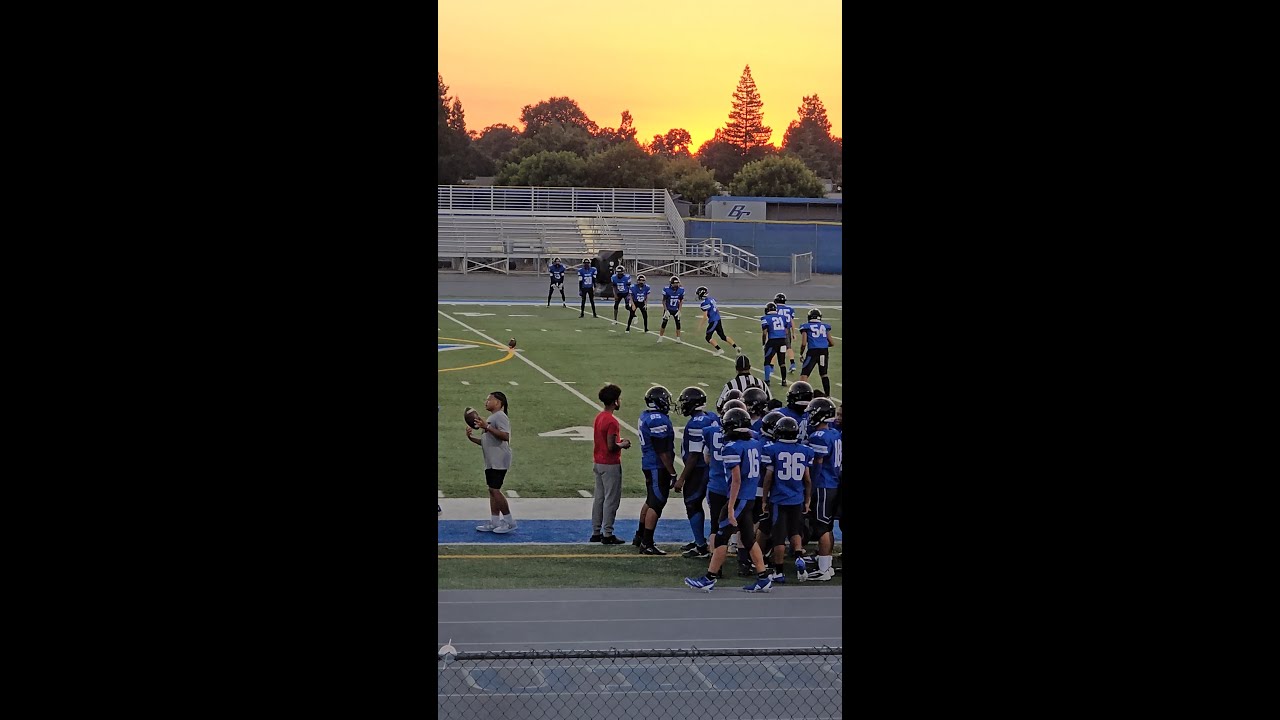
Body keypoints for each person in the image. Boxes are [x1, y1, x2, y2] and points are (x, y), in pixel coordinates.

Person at [683, 408, 773, 593]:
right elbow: (754, 433)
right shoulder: (755, 443)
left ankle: (709, 578)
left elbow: (737, 479)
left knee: (722, 536)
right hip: (748, 498)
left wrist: (730, 506)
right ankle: (763, 577)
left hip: (739, 498)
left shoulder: (732, 447)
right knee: (748, 538)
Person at [760, 416, 814, 585]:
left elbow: (768, 479)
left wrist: (764, 499)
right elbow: (807, 480)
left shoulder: (772, 449)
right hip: (796, 498)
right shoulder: (805, 450)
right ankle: (798, 555)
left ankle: (779, 571)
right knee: (795, 530)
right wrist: (807, 500)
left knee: (778, 536)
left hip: (779, 499)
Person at [673, 387, 718, 559]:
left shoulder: (696, 423)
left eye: (685, 402)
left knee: (692, 503)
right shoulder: (711, 416)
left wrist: (682, 478)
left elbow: (694, 455)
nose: (683, 405)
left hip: (700, 469)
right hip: (712, 467)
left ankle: (701, 545)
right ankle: (705, 541)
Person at [799, 398, 840, 581]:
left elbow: (818, 465)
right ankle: (827, 565)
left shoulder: (820, 436)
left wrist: (810, 488)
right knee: (827, 526)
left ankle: (824, 569)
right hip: (833, 484)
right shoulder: (835, 434)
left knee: (822, 527)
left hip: (824, 485)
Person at [466, 391, 516, 534]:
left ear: (499, 402)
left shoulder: (500, 416)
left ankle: (509, 521)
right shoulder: (492, 417)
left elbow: (505, 436)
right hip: (491, 460)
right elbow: (486, 442)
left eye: (489, 399)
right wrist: (471, 438)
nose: (486, 402)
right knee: (492, 490)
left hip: (499, 459)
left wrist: (486, 427)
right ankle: (495, 521)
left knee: (495, 490)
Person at [636, 385, 677, 555]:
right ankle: (647, 542)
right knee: (657, 503)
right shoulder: (657, 420)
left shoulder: (646, 416)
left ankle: (639, 536)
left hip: (649, 463)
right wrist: (672, 472)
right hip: (656, 466)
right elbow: (662, 451)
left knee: (651, 500)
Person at [591, 384, 631, 544]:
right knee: (611, 499)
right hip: (610, 463)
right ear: (615, 401)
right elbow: (611, 446)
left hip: (598, 461)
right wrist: (623, 444)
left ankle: (596, 531)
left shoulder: (599, 417)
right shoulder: (612, 421)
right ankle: (607, 533)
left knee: (599, 498)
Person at [798, 308, 836, 397]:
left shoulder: (806, 326)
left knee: (804, 375)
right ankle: (828, 396)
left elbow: (804, 343)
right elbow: (832, 342)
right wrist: (822, 345)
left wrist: (801, 353)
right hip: (824, 351)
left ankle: (802, 396)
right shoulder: (824, 326)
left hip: (812, 352)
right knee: (824, 374)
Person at [695, 286, 742, 356]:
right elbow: (717, 309)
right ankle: (736, 347)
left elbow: (705, 317)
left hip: (713, 321)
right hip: (718, 319)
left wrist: (700, 326)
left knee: (708, 337)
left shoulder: (704, 303)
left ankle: (719, 350)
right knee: (723, 336)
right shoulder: (711, 299)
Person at [760, 302, 790, 387]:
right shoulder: (783, 317)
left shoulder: (765, 318)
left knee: (767, 361)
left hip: (772, 341)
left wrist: (763, 343)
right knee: (782, 362)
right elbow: (786, 330)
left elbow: (764, 333)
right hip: (782, 341)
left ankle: (767, 380)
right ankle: (784, 381)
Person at [772, 293, 798, 373]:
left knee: (774, 349)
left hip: (777, 330)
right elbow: (791, 321)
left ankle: (771, 366)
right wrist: (794, 333)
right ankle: (792, 363)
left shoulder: (775, 309)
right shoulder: (789, 309)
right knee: (788, 347)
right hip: (787, 330)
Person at [656, 276, 684, 343]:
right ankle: (660, 337)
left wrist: (679, 310)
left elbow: (681, 300)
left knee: (678, 324)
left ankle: (678, 338)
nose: (676, 285)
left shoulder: (681, 290)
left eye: (677, 283)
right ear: (671, 283)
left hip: (676, 309)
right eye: (675, 283)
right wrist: (666, 310)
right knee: (664, 323)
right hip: (668, 309)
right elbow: (663, 301)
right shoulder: (667, 289)